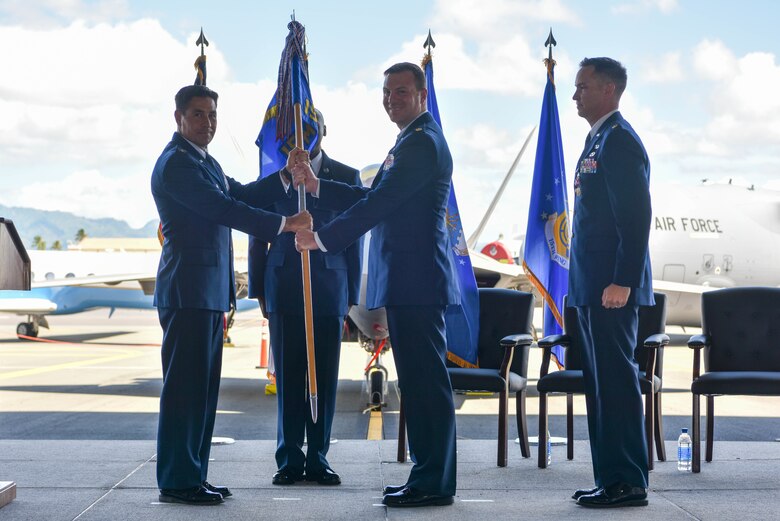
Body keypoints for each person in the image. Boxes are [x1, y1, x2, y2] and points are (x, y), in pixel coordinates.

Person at [293, 62, 458, 508]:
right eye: (386, 91)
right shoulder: (409, 140)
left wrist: (321, 238)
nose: (391, 99)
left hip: (417, 281)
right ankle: (428, 476)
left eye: (401, 91)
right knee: (418, 384)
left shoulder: (422, 143)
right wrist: (318, 185)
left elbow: (379, 204)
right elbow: (373, 197)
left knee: (425, 385)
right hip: (408, 281)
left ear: (422, 95)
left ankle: (434, 481)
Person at [151, 84, 311, 505]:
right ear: (179, 118)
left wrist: (284, 175)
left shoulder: (204, 162)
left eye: (212, 115)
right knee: (185, 392)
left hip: (206, 293)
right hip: (187, 291)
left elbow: (241, 194)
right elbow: (225, 210)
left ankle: (193, 475)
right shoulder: (176, 164)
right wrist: (285, 224)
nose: (207, 122)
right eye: (198, 114)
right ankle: (177, 480)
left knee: (202, 394)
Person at [247, 109, 362, 486]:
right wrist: (259, 289)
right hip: (282, 285)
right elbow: (256, 235)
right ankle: (289, 458)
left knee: (324, 379)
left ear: (324, 131)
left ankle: (319, 458)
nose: (305, 135)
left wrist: (351, 293)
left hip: (329, 288)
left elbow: (354, 239)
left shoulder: (345, 176)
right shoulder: (273, 178)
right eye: (299, 128)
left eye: (312, 128)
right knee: (288, 377)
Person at [567, 57, 654, 508]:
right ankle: (609, 478)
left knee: (617, 385)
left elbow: (635, 217)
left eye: (582, 87)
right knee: (600, 387)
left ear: (608, 90)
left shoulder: (619, 141)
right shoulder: (597, 139)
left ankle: (629, 482)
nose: (575, 95)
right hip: (592, 286)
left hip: (611, 289)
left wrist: (623, 280)